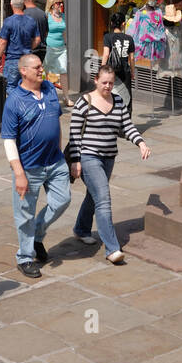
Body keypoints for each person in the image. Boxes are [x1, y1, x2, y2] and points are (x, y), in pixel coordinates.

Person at [67, 64, 151, 264]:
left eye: (111, 83)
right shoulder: (84, 102)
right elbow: (74, 135)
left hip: (109, 157)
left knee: (94, 194)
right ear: (95, 80)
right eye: (104, 82)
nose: (107, 86)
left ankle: (81, 228)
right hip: (89, 156)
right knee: (103, 198)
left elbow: (127, 125)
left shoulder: (118, 101)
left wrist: (140, 143)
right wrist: (75, 161)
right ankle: (112, 249)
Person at [1, 52, 70, 278]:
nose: (41, 70)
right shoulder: (14, 101)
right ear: (23, 71)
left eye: (41, 67)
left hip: (55, 161)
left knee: (62, 200)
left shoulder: (50, 89)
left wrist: (60, 152)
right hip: (29, 167)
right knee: (24, 214)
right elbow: (9, 140)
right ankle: (25, 257)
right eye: (37, 67)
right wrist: (18, 173)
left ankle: (37, 234)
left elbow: (57, 121)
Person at [0, 0, 41, 88]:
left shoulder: (8, 21)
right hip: (27, 60)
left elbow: (2, 42)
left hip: (13, 59)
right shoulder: (31, 21)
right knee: (26, 87)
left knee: (10, 87)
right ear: (23, 5)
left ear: (11, 5)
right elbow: (37, 40)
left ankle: (14, 103)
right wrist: (28, 47)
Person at [101, 11, 135, 115]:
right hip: (125, 71)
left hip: (112, 72)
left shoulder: (107, 37)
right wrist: (132, 72)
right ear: (123, 24)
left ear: (112, 23)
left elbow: (106, 54)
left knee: (110, 94)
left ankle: (112, 118)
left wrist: (102, 70)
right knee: (126, 96)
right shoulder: (129, 38)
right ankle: (126, 121)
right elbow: (132, 58)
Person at [44, 0, 68, 102]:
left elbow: (64, 33)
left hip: (62, 48)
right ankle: (43, 95)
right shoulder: (47, 16)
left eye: (61, 2)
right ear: (53, 4)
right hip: (49, 47)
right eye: (59, 3)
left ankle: (66, 97)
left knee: (63, 71)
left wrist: (65, 44)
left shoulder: (63, 16)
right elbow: (44, 32)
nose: (61, 5)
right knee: (46, 71)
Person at [22, 0, 48, 66]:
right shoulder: (42, 13)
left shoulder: (24, 14)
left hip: (30, 51)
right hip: (42, 50)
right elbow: (46, 32)